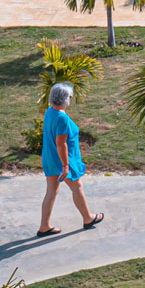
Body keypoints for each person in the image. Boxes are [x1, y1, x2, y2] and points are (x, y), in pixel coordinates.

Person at [37, 83, 103, 236]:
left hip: (50, 158)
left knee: (51, 191)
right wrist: (66, 166)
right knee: (77, 187)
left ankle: (44, 226)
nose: (70, 99)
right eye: (70, 97)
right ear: (64, 98)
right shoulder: (61, 118)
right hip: (61, 160)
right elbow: (61, 144)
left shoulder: (50, 111)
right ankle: (88, 218)